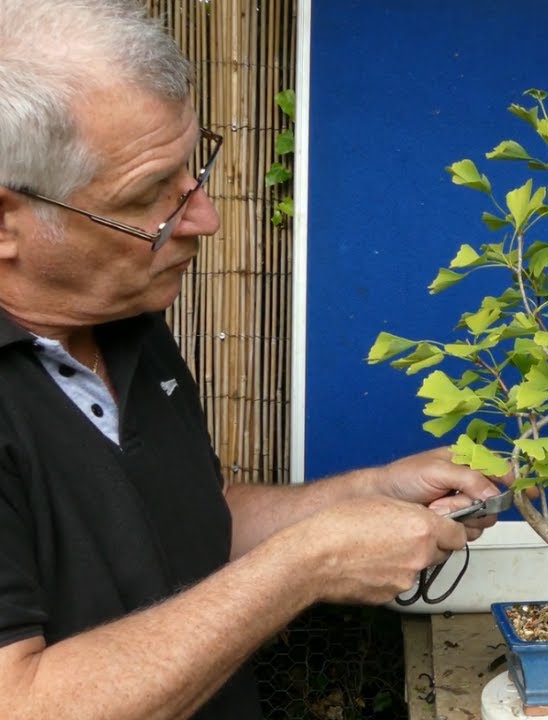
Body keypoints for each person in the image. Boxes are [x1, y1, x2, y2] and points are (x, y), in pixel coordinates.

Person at [0, 1, 507, 718]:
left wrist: (368, 491)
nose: (203, 217)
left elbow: (193, 520)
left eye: (192, 168)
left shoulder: (123, 318)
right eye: (151, 196)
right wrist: (305, 566)